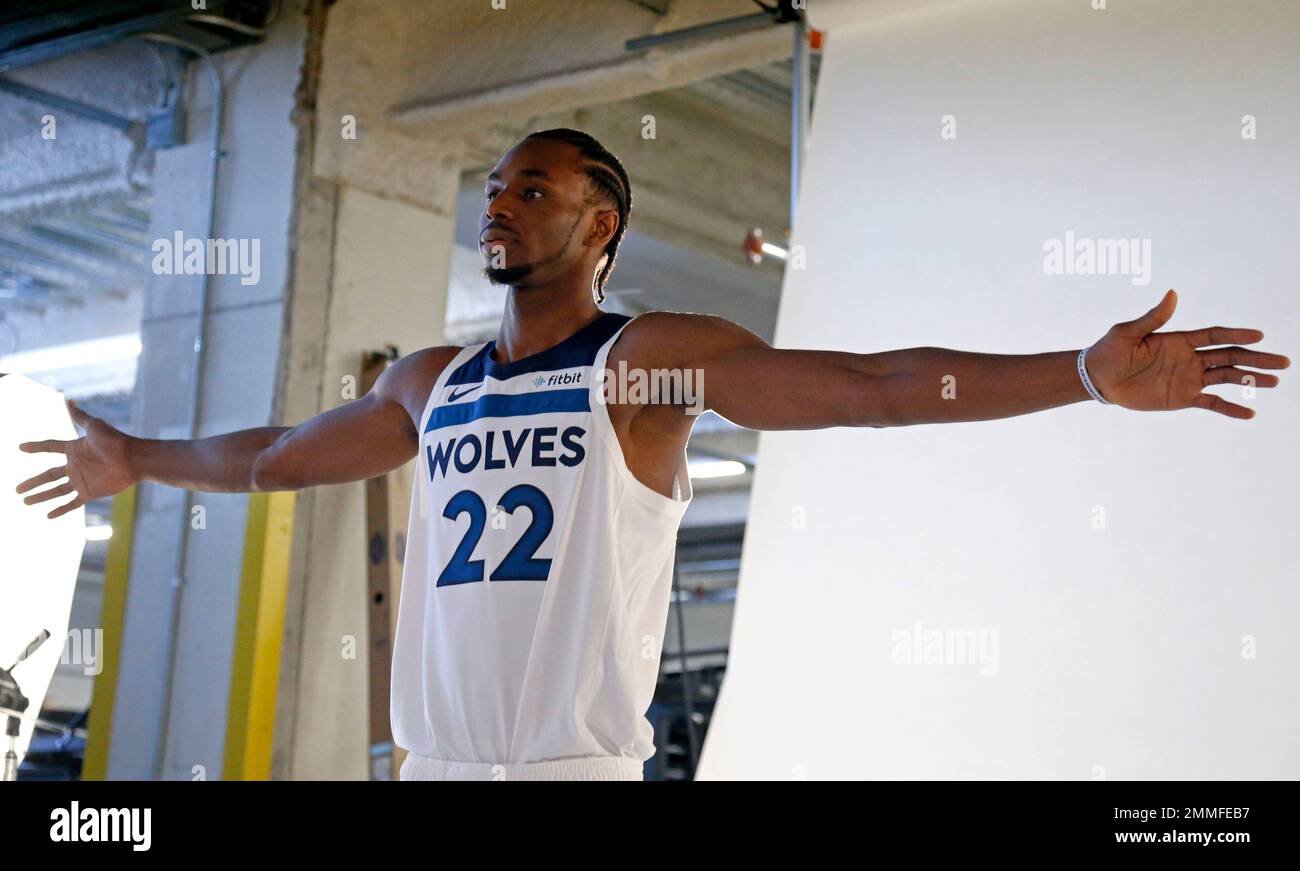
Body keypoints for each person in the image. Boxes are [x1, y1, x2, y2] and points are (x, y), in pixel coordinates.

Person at [15, 128, 1289, 780]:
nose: (499, 205)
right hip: (432, 764)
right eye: (495, 190)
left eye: (532, 189)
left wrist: (1077, 373)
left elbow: (869, 391)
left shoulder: (642, 364)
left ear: (600, 222)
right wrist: (142, 456)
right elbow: (280, 458)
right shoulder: (432, 382)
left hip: (574, 768)